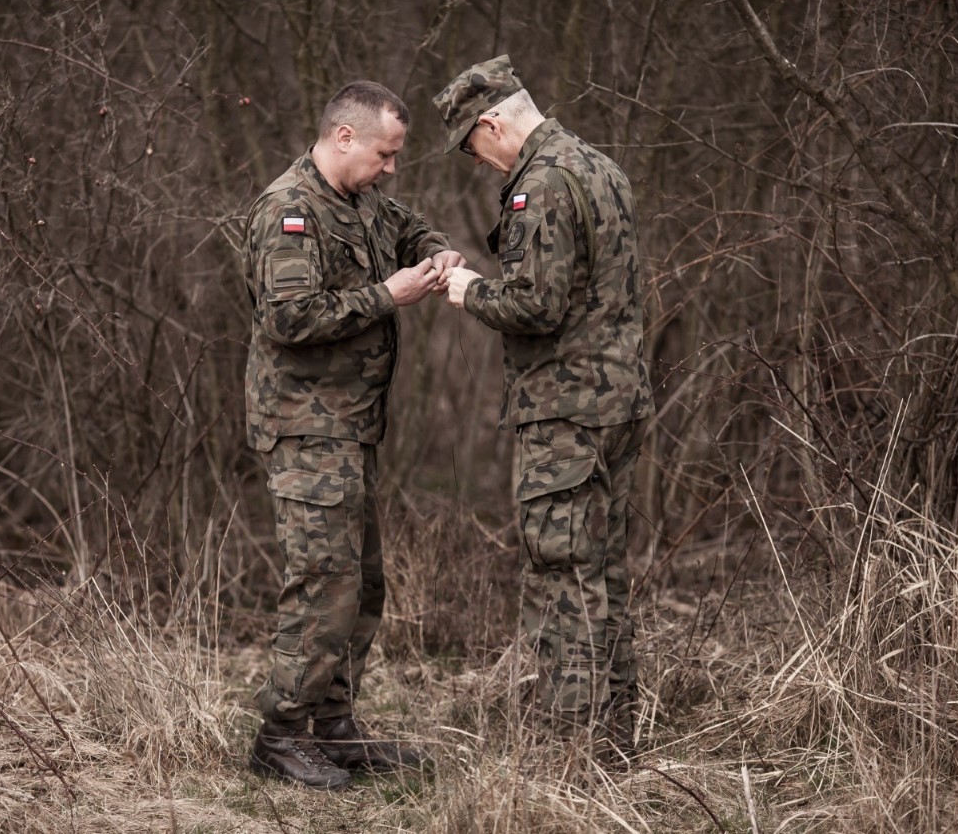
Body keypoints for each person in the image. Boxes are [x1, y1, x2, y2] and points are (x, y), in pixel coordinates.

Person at [432, 56, 654, 766]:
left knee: (562, 572)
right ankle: (615, 737)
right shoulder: (600, 167)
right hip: (617, 401)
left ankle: (570, 750)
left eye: (474, 146)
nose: (481, 162)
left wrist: (470, 291)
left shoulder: (542, 183)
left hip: (567, 409)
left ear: (493, 122)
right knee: (604, 568)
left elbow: (537, 303)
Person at [243, 80, 463, 789]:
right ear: (344, 137)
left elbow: (409, 225)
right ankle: (279, 735)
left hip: (352, 424)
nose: (391, 167)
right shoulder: (289, 211)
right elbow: (288, 319)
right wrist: (388, 295)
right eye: (385, 153)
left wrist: (439, 253)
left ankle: (333, 727)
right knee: (323, 584)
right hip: (306, 428)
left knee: (362, 583)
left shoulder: (361, 199)